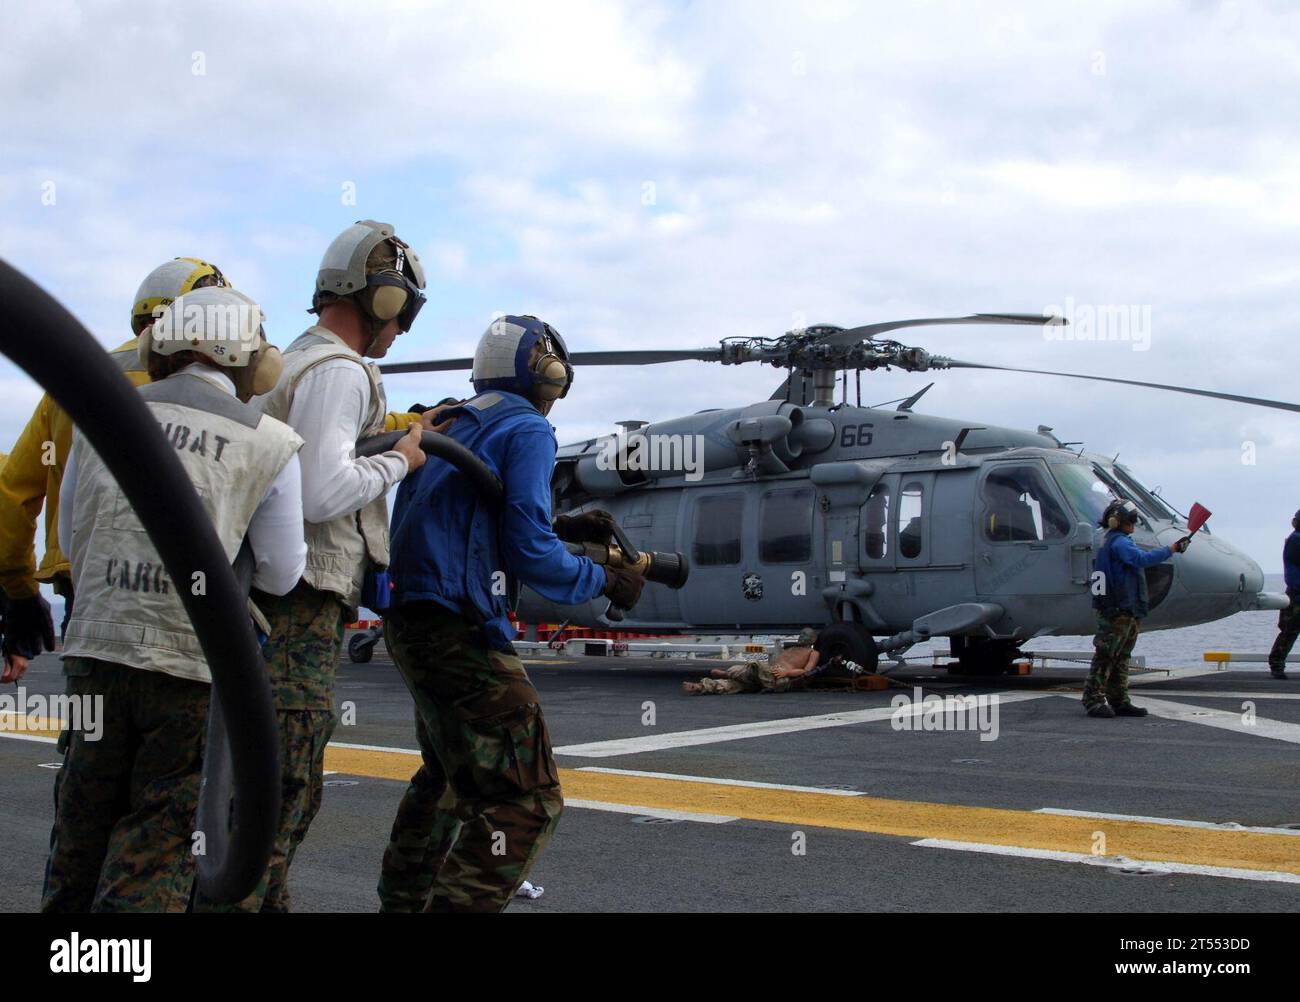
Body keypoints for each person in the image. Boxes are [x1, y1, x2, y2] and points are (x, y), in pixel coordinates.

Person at [43, 287, 306, 912]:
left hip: (96, 651)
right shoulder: (270, 442)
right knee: (158, 837)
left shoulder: (103, 414)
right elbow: (281, 573)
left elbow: (69, 536)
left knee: (80, 828)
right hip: (190, 667)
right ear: (250, 357)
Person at [196, 220, 432, 913]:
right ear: (381, 300)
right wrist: (402, 460)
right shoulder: (339, 372)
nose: (402, 332)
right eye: (405, 313)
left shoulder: (294, 364)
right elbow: (324, 491)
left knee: (253, 784)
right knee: (282, 787)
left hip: (263, 600)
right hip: (298, 603)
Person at [377, 314, 645, 913]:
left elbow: (469, 520)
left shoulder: (451, 422)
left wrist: (560, 525)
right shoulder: (526, 429)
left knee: (447, 779)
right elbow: (530, 553)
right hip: (461, 630)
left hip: (409, 625)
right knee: (528, 802)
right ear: (550, 377)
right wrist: (605, 579)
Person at [0, 258, 229, 685]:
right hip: (184, 589)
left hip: (87, 584)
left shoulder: (72, 380)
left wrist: (19, 592)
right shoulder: (219, 390)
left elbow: (13, 495)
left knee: (96, 728)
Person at [1085, 499, 1187, 718]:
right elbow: (1141, 559)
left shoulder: (1110, 540)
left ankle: (1119, 700)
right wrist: (1172, 549)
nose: (1133, 523)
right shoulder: (1120, 543)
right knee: (1107, 655)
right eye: (1130, 520)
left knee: (1120, 656)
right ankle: (1093, 700)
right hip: (1118, 609)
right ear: (1117, 521)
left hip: (1123, 608)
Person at [684, 628, 824, 694]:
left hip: (777, 677)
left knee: (754, 665)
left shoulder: (812, 652)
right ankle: (701, 687)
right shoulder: (791, 648)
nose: (803, 636)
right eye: (802, 634)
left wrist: (787, 672)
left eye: (806, 634)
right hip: (767, 674)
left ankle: (727, 673)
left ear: (813, 638)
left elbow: (807, 671)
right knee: (733, 686)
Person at [1266, 510, 1300, 679]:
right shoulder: (1296, 541)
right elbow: (1293, 574)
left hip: (1295, 593)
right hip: (1296, 594)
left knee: (1289, 631)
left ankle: (1277, 663)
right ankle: (1277, 664)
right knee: (1289, 631)